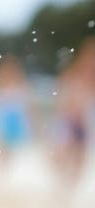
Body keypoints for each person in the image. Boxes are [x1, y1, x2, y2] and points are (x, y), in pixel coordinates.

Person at [51, 39, 95, 194]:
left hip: (82, 124)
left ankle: (67, 190)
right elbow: (62, 99)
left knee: (78, 161)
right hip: (69, 122)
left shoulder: (89, 79)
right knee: (62, 157)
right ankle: (61, 185)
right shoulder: (72, 74)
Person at [0, 57, 32, 171]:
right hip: (5, 119)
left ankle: (0, 169)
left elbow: (26, 106)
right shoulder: (2, 84)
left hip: (12, 120)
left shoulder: (19, 85)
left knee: (7, 147)